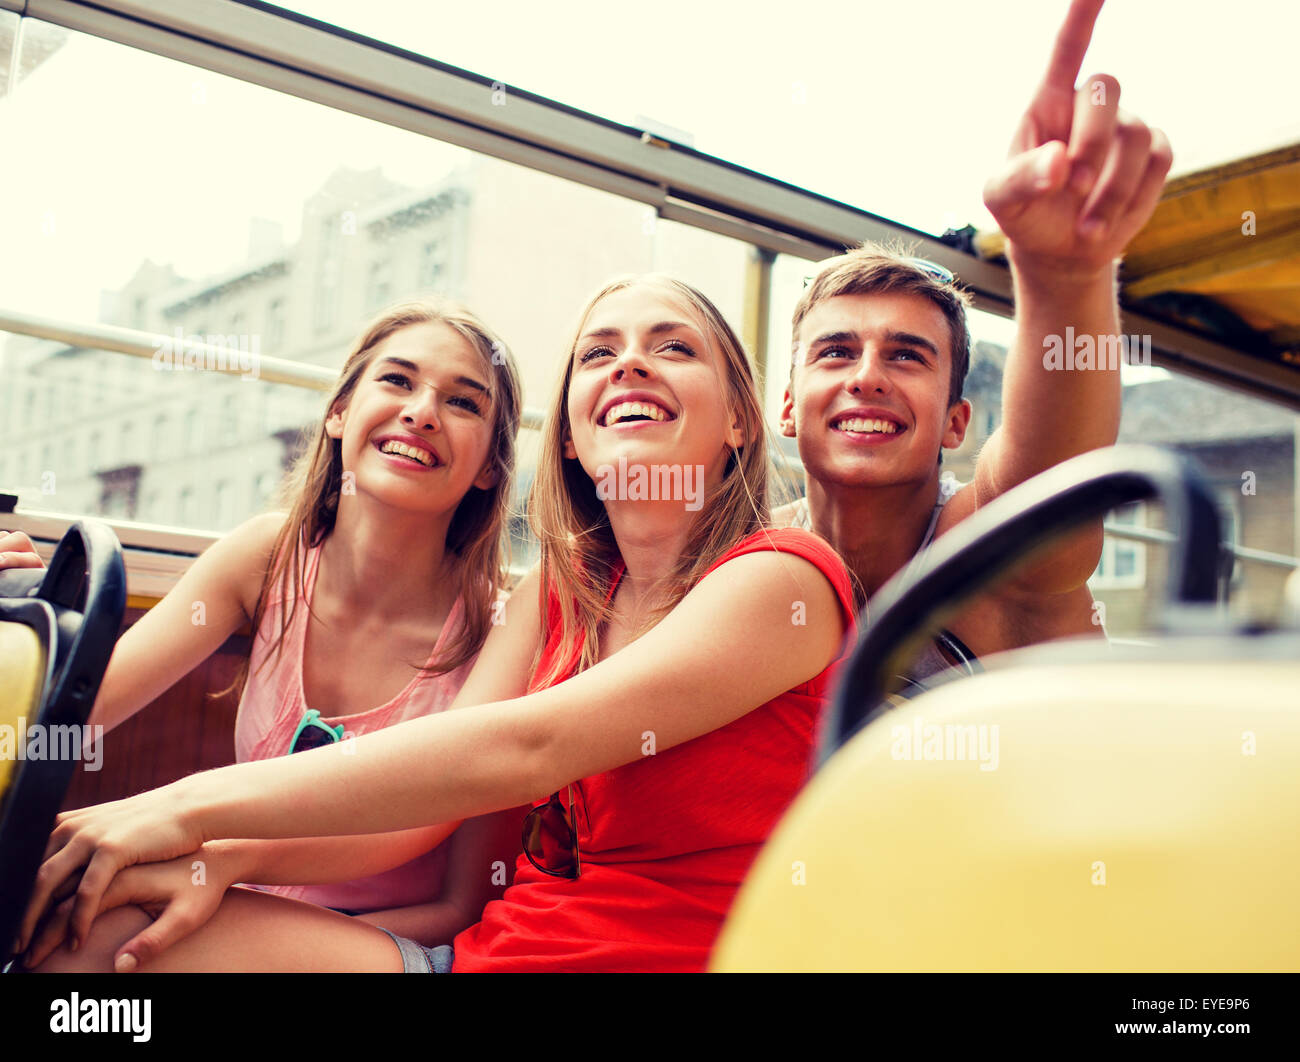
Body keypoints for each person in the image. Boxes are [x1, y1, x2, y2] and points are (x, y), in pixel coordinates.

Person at [18, 275, 855, 974]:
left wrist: (187, 813)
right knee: (81, 938)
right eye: (599, 354)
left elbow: (522, 748)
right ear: (565, 436)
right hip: (488, 957)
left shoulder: (783, 580)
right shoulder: (560, 594)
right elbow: (419, 814)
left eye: (673, 347)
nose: (630, 363)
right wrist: (218, 855)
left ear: (742, 421)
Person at [2, 295, 525, 947]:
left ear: (490, 470)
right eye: (396, 380)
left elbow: (464, 905)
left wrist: (235, 921)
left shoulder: (506, 627)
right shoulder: (265, 558)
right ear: (338, 413)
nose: (421, 412)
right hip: (222, 898)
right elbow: (67, 716)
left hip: (376, 944)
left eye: (464, 402)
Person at [776, 0, 1172, 677]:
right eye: (837, 350)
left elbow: (1045, 482)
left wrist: (1064, 277)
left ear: (957, 422)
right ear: (786, 404)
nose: (867, 376)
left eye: (907, 355)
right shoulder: (751, 556)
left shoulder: (990, 550)